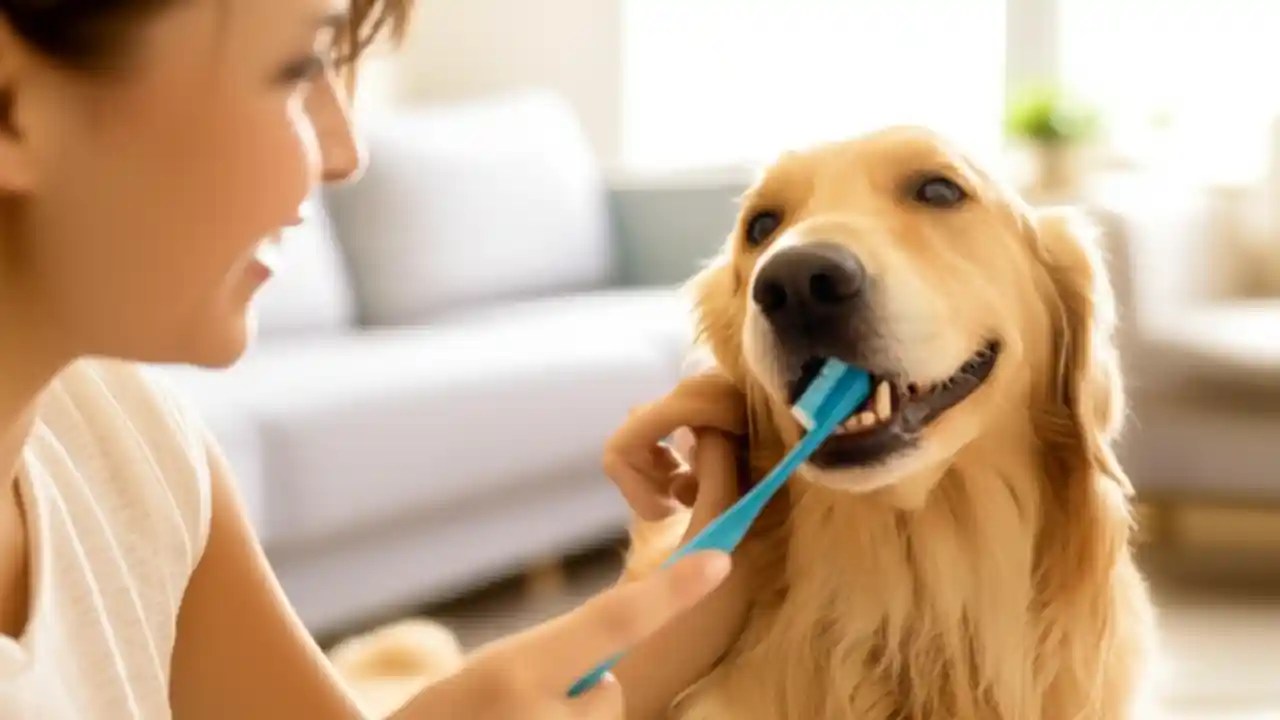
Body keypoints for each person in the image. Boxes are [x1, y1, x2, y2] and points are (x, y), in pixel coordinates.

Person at [0, 0, 753, 717]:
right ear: (12, 108)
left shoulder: (125, 445)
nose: (345, 152)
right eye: (298, 68)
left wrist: (732, 511)